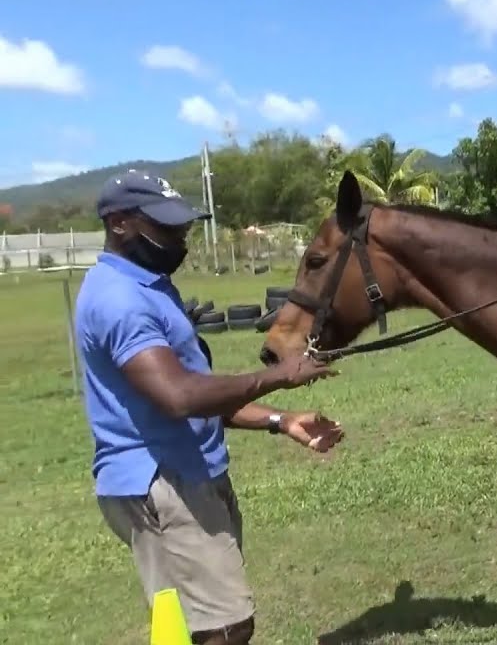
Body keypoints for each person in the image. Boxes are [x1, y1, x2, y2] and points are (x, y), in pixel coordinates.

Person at [76, 169, 342, 644]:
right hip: (162, 483)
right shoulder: (119, 299)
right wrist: (280, 376)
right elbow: (179, 397)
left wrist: (281, 421)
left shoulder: (148, 286)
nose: (180, 237)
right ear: (119, 222)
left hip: (184, 475)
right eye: (165, 226)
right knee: (225, 627)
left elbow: (192, 396)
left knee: (191, 624)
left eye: (183, 226)